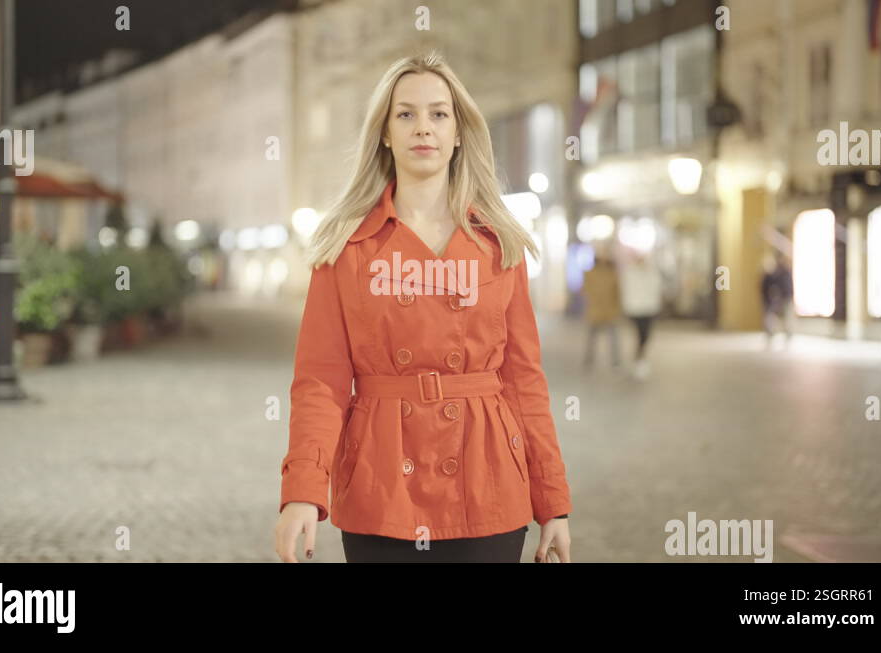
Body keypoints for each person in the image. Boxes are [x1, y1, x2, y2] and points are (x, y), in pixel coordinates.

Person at [274, 52, 572, 563]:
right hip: (380, 484)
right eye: (405, 114)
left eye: (439, 114)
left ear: (459, 132)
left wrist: (553, 503)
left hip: (487, 482)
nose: (423, 129)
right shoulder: (346, 247)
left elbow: (523, 379)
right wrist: (303, 488)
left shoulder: (498, 244)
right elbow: (320, 379)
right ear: (385, 133)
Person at [618, 249, 662, 380]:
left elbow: (656, 288)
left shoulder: (651, 272)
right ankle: (639, 359)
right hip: (635, 309)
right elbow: (626, 290)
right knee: (640, 334)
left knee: (646, 335)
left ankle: (639, 358)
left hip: (649, 308)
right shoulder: (630, 272)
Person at [581, 246, 622, 371]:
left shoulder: (612, 273)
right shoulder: (590, 273)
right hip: (595, 308)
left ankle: (615, 361)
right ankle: (589, 360)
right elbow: (585, 289)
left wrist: (616, 307)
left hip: (609, 309)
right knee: (592, 336)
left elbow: (617, 291)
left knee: (613, 336)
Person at [760, 251, 794, 349]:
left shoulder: (784, 272)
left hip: (786, 297)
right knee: (771, 317)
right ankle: (771, 333)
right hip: (776, 298)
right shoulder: (775, 274)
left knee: (786, 316)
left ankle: (787, 333)